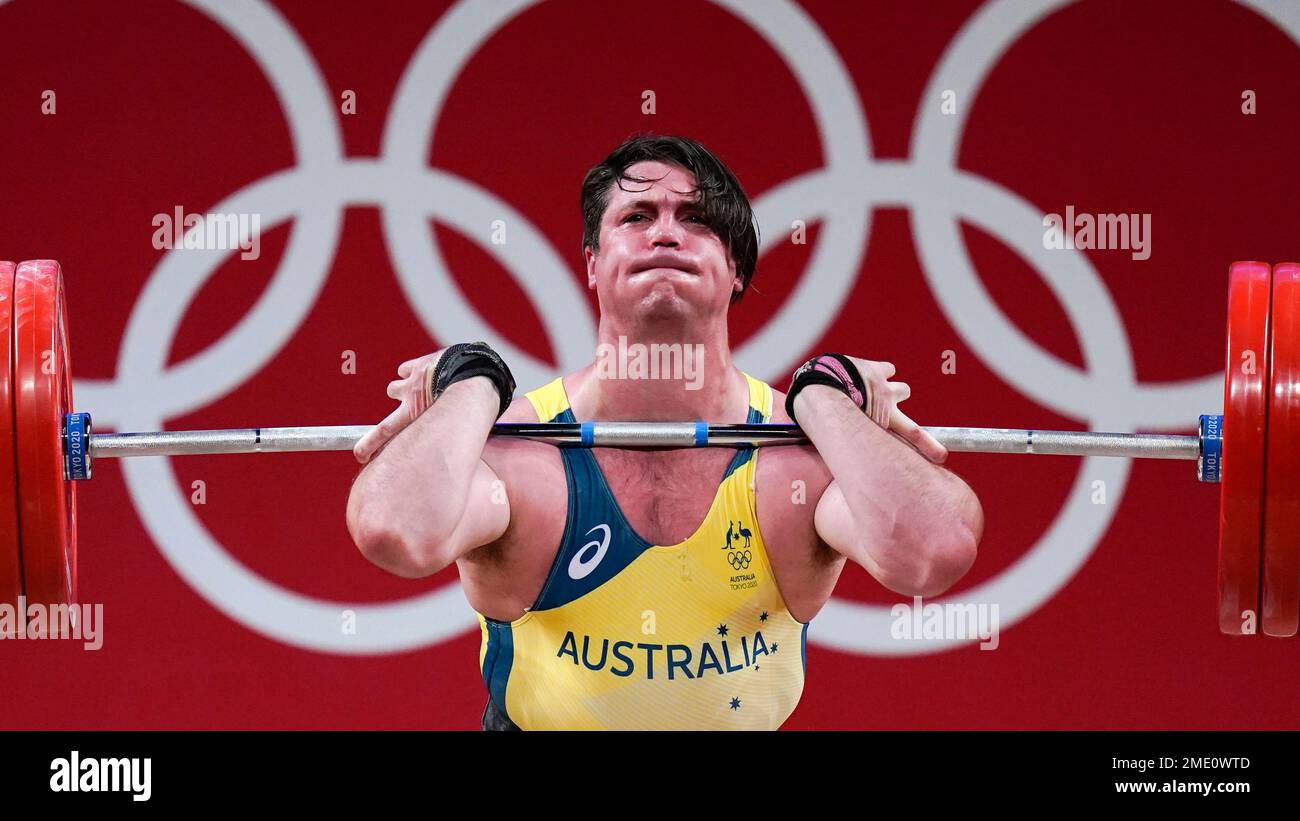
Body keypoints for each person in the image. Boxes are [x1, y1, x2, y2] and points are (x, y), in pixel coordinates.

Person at [346, 134, 983, 730]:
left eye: (698, 220)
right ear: (593, 265)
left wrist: (822, 400)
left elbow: (931, 555)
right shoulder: (521, 449)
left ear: (735, 270)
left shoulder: (796, 459)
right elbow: (397, 535)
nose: (667, 235)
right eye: (637, 217)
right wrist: (475, 384)